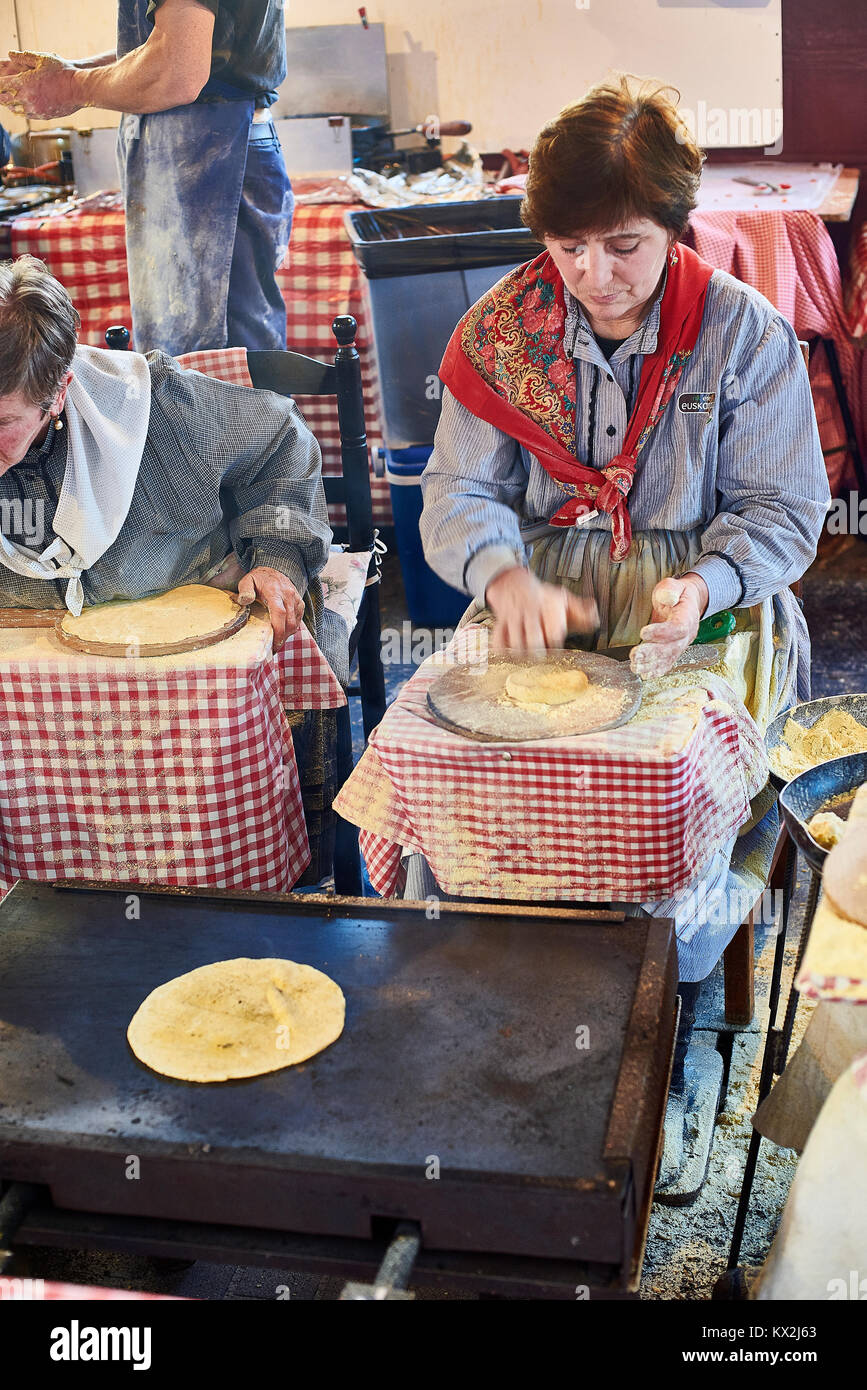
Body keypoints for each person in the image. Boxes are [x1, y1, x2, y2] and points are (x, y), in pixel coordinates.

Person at [417, 76, 831, 1195]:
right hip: (540, 596)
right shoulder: (500, 334)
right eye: (568, 248)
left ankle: (668, 1031)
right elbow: (457, 497)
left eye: (625, 247)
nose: (594, 278)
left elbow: (786, 511)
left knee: (657, 782)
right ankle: (505, 1014)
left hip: (698, 603)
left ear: (676, 229)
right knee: (452, 764)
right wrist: (500, 574)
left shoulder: (740, 334)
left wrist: (706, 582)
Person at [0, 0, 293, 356]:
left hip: (211, 152)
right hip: (198, 150)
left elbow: (178, 69)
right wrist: (70, 72)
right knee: (186, 359)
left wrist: (70, 85)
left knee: (220, 365)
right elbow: (166, 45)